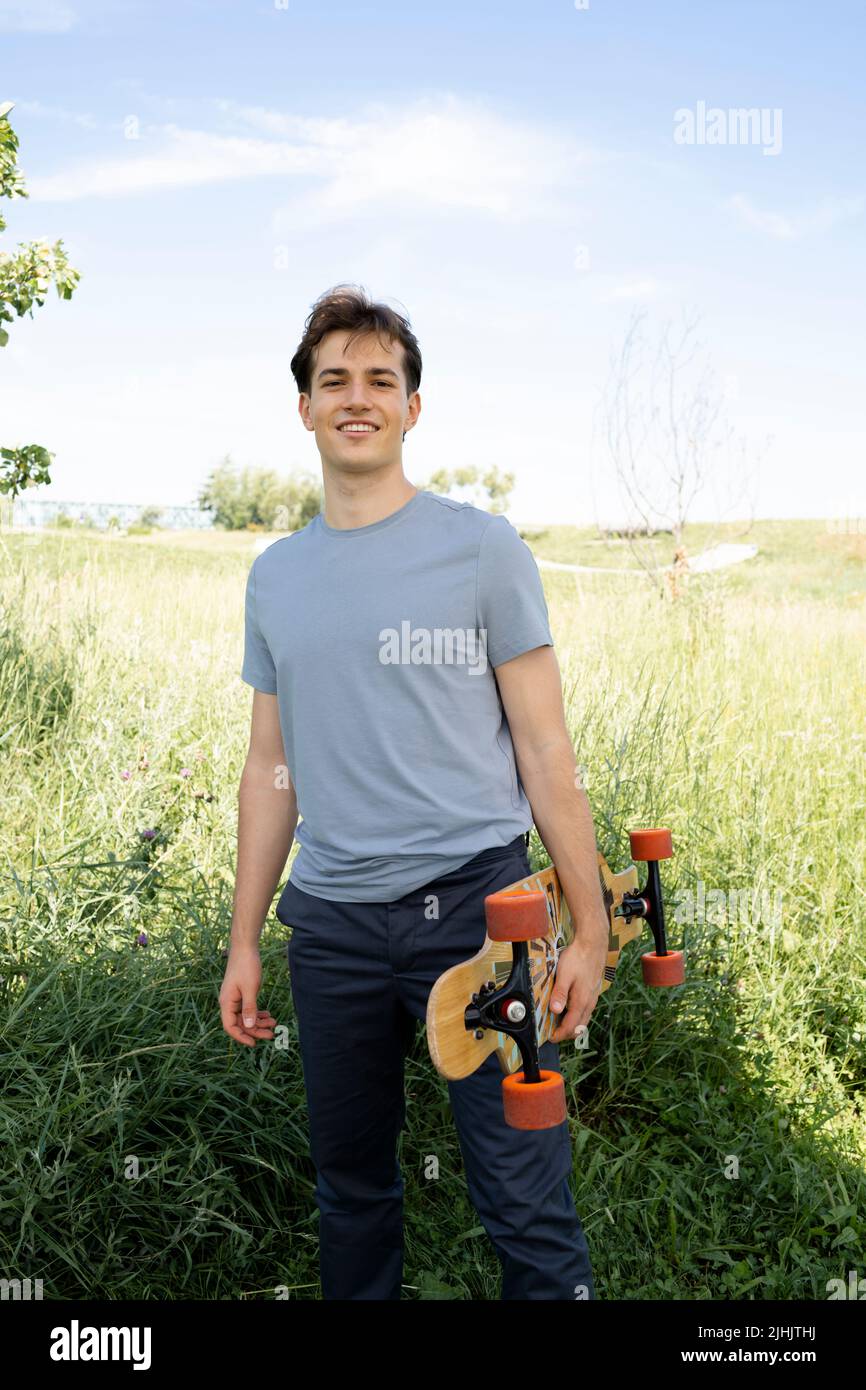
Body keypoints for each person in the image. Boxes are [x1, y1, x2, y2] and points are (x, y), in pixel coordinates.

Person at [220, 283, 610, 1300]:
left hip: (477, 918)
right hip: (335, 929)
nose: (357, 397)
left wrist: (590, 925)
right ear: (303, 406)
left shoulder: (481, 548)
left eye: (379, 380)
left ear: (411, 408)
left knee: (522, 1193)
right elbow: (271, 770)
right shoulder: (275, 577)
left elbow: (543, 746)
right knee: (350, 1187)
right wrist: (246, 937)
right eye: (333, 379)